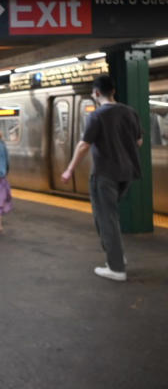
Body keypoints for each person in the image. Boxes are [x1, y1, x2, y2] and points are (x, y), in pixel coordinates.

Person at [61, 75, 142, 282]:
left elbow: (84, 145)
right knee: (110, 217)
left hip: (105, 174)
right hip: (128, 173)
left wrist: (69, 169)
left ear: (96, 93)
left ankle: (116, 268)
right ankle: (116, 257)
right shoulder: (130, 112)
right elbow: (139, 141)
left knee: (105, 219)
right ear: (113, 91)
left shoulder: (97, 115)